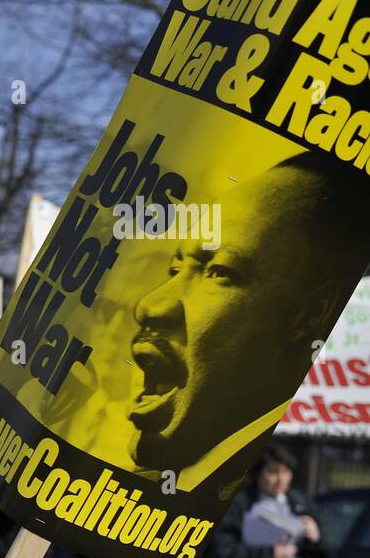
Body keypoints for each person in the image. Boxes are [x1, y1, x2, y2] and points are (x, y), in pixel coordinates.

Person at [127, 151, 365, 508]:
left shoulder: (241, 497)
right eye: (176, 270)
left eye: (218, 272)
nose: (150, 306)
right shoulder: (170, 484)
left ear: (311, 314)